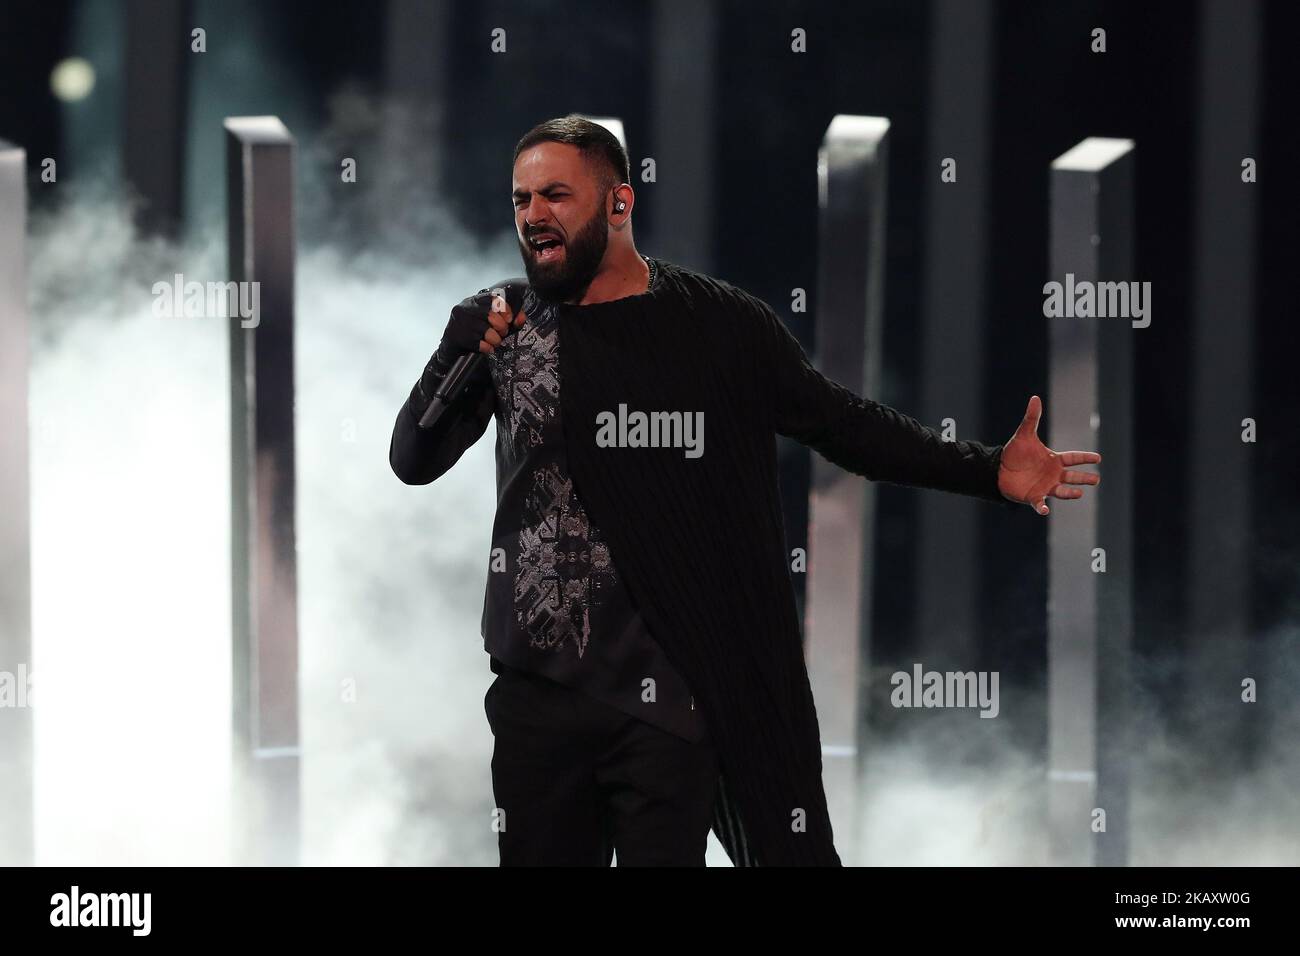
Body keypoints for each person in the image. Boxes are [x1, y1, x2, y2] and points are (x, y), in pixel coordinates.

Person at [389, 114, 1101, 866]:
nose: (534, 216)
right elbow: (413, 459)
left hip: (668, 703)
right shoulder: (504, 329)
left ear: (619, 203)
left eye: (556, 195)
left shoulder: (718, 324)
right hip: (537, 701)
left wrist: (985, 469)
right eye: (521, 199)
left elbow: (843, 425)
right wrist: (452, 354)